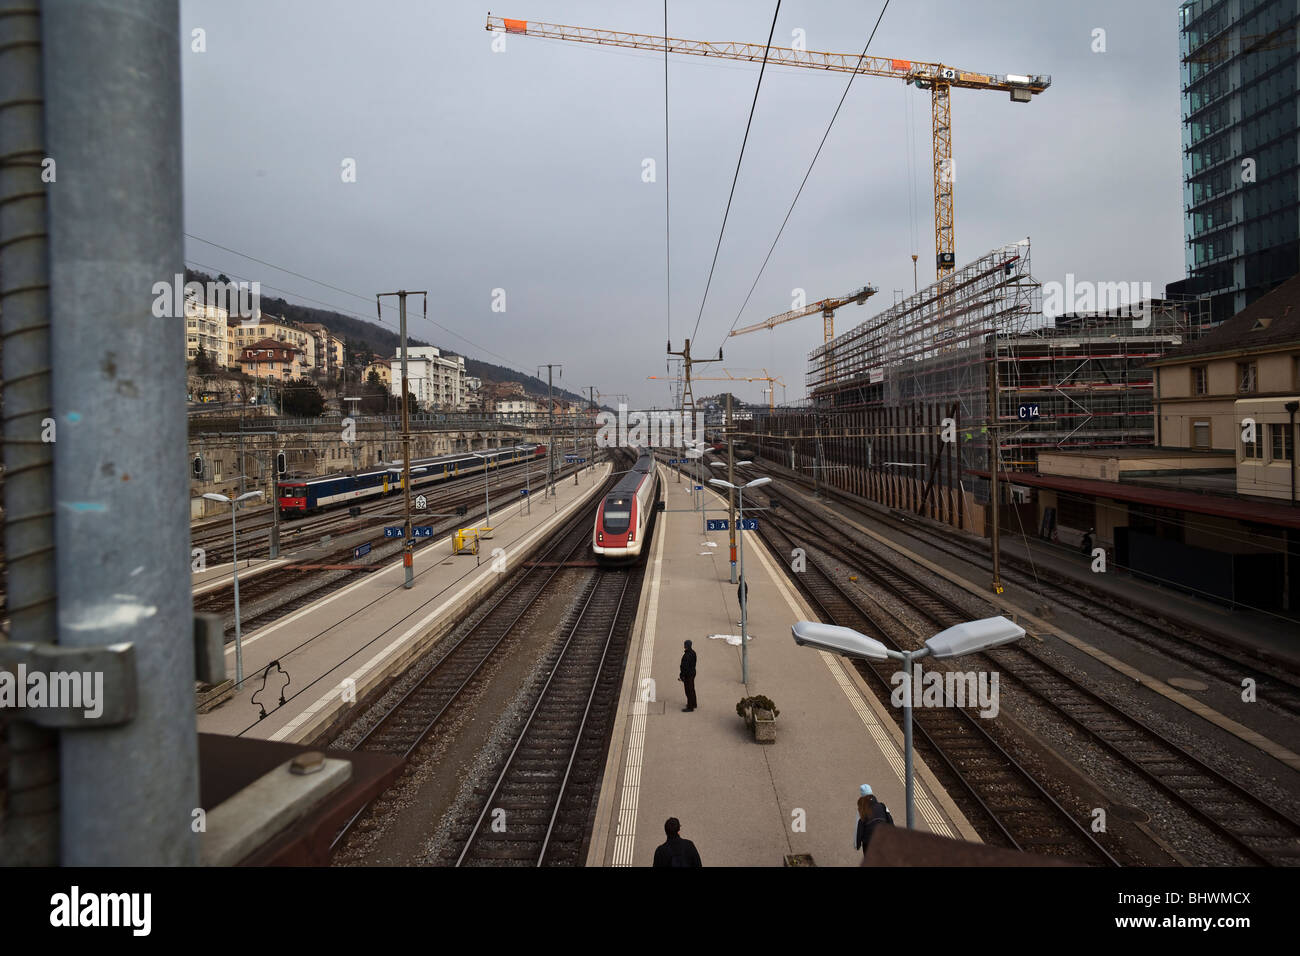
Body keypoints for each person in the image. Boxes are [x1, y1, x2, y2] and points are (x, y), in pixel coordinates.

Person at [854, 784, 894, 859]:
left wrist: (857, 845)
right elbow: (890, 821)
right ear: (872, 794)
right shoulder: (882, 806)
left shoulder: (861, 811)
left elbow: (858, 829)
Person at [679, 639, 697, 712]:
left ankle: (690, 707)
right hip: (692, 673)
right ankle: (694, 703)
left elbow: (684, 667)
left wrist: (682, 675)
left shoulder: (686, 656)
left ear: (686, 646)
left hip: (688, 675)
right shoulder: (693, 653)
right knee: (692, 689)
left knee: (688, 691)